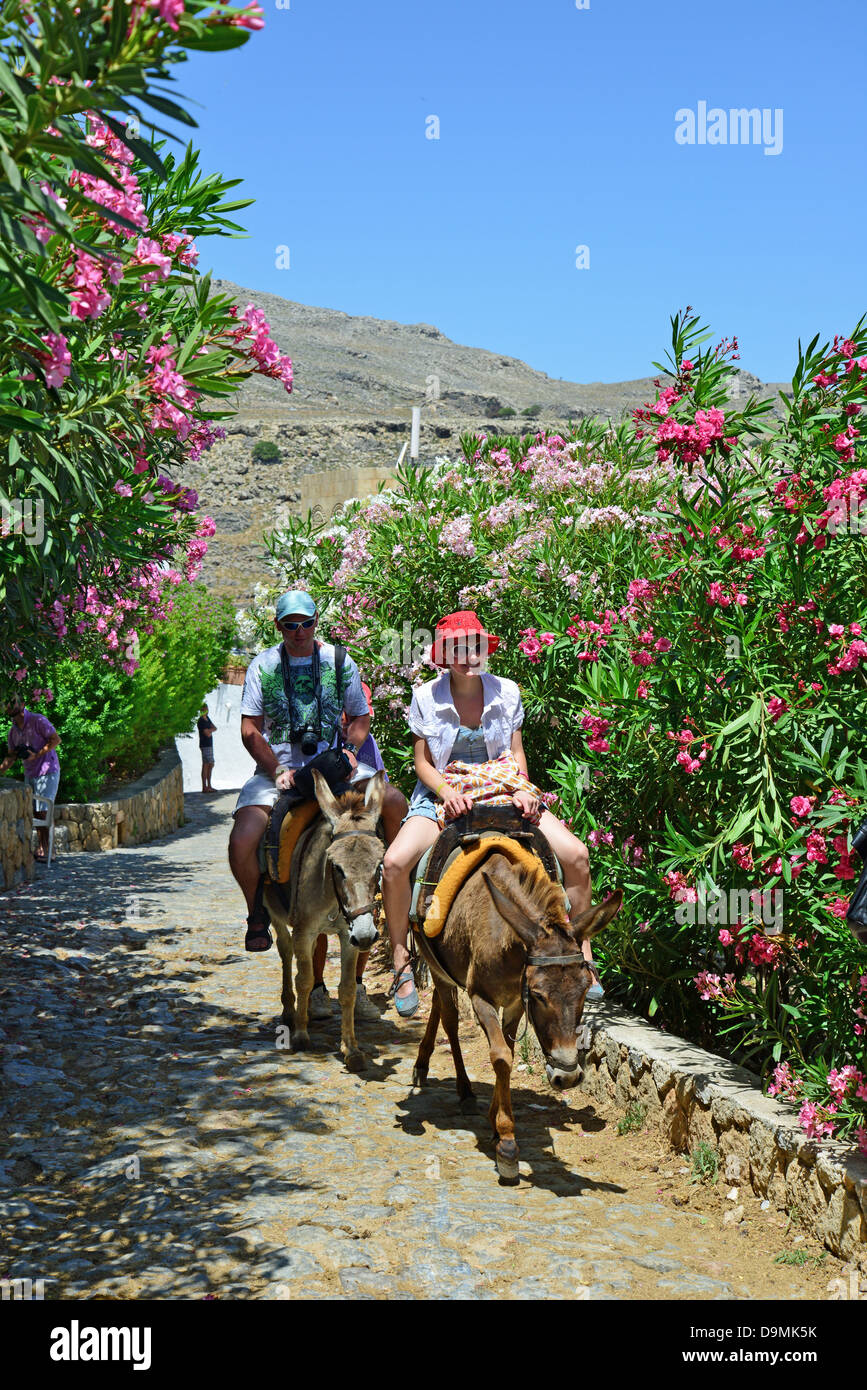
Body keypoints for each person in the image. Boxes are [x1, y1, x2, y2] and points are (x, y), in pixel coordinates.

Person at [381, 610, 603, 1018]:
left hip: (503, 790)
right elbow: (422, 764)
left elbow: (516, 754)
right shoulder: (425, 696)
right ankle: (401, 962)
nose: (470, 655)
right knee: (394, 864)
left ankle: (582, 953)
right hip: (446, 792)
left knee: (577, 856)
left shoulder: (508, 691)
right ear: (445, 654)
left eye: (476, 646)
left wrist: (522, 788)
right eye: (460, 648)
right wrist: (446, 793)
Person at [227, 590, 408, 1021]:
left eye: (305, 623)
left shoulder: (340, 662)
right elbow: (250, 728)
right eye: (290, 625)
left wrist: (349, 751)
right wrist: (275, 770)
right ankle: (257, 912)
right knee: (243, 838)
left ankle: (401, 885)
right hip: (284, 768)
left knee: (396, 801)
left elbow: (360, 718)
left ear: (316, 622)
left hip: (336, 762)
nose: (299, 632)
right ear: (279, 627)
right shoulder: (264, 665)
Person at [0, 696, 62, 862]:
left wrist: (37, 754)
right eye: (8, 703)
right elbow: (11, 757)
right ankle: (43, 847)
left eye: (13, 701)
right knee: (35, 812)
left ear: (23, 704)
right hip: (30, 774)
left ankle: (49, 849)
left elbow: (56, 739)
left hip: (47, 771)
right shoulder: (13, 732)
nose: (10, 705)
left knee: (43, 811)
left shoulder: (38, 720)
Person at [197, 703, 217, 793]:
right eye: (205, 708)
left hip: (209, 745)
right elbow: (206, 733)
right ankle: (205, 787)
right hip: (205, 745)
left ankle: (209, 785)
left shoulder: (207, 719)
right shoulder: (201, 721)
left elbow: (214, 728)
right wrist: (210, 730)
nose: (207, 710)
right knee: (207, 764)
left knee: (210, 764)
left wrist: (210, 730)